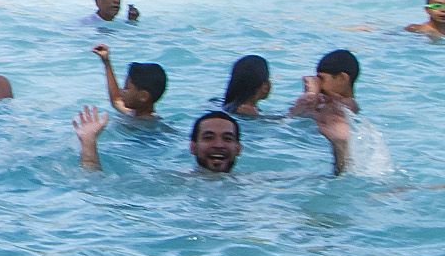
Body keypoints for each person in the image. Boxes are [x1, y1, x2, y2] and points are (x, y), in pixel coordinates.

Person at [75, 102, 350, 175]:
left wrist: (339, 145)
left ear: (239, 148)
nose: (219, 144)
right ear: (192, 147)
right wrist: (89, 144)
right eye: (209, 137)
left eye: (227, 139)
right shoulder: (172, 183)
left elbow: (335, 182)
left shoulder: (258, 183)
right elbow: (98, 186)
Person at [91, 44, 167, 118]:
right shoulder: (132, 113)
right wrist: (106, 62)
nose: (120, 91)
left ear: (143, 96)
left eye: (126, 88)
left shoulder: (155, 127)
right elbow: (115, 100)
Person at [288, 49, 360, 116]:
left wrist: (310, 94)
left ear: (342, 78)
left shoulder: (349, 104)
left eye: (321, 79)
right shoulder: (326, 101)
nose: (318, 84)